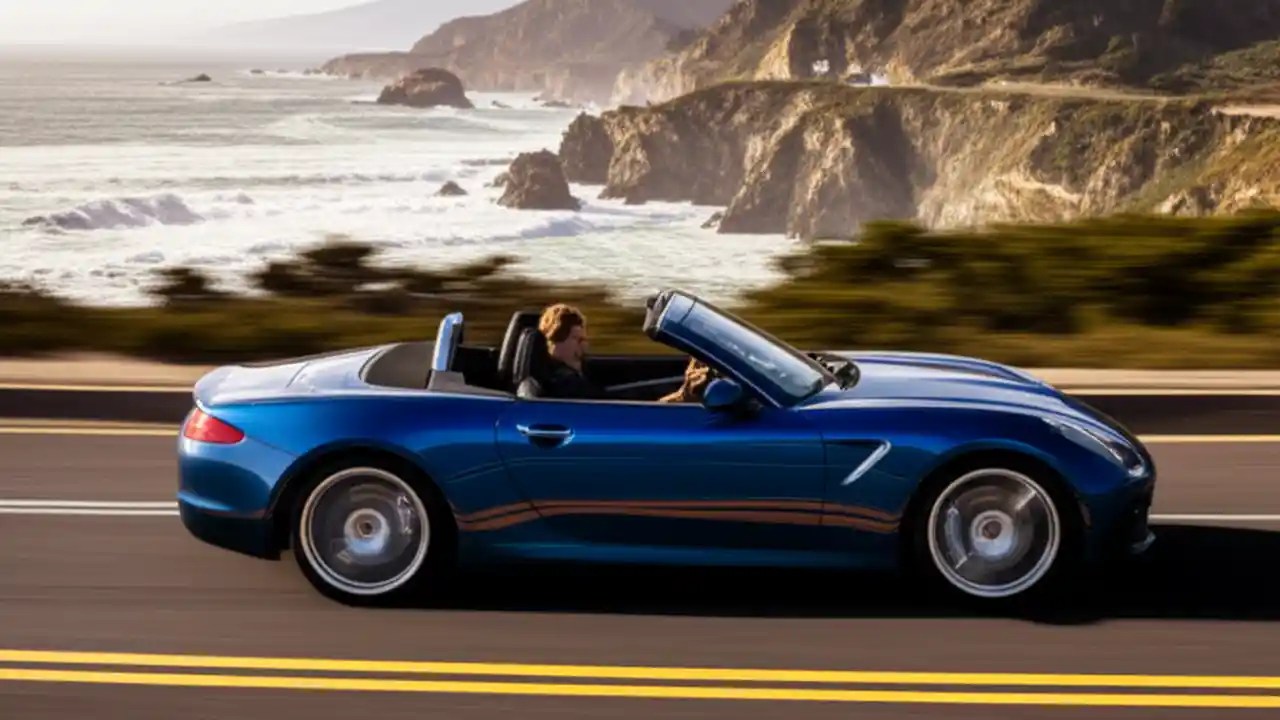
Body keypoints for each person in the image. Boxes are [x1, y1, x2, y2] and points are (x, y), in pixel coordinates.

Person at [537, 303, 608, 399]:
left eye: (584, 339)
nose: (584, 345)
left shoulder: (575, 376)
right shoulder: (564, 383)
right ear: (555, 340)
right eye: (576, 339)